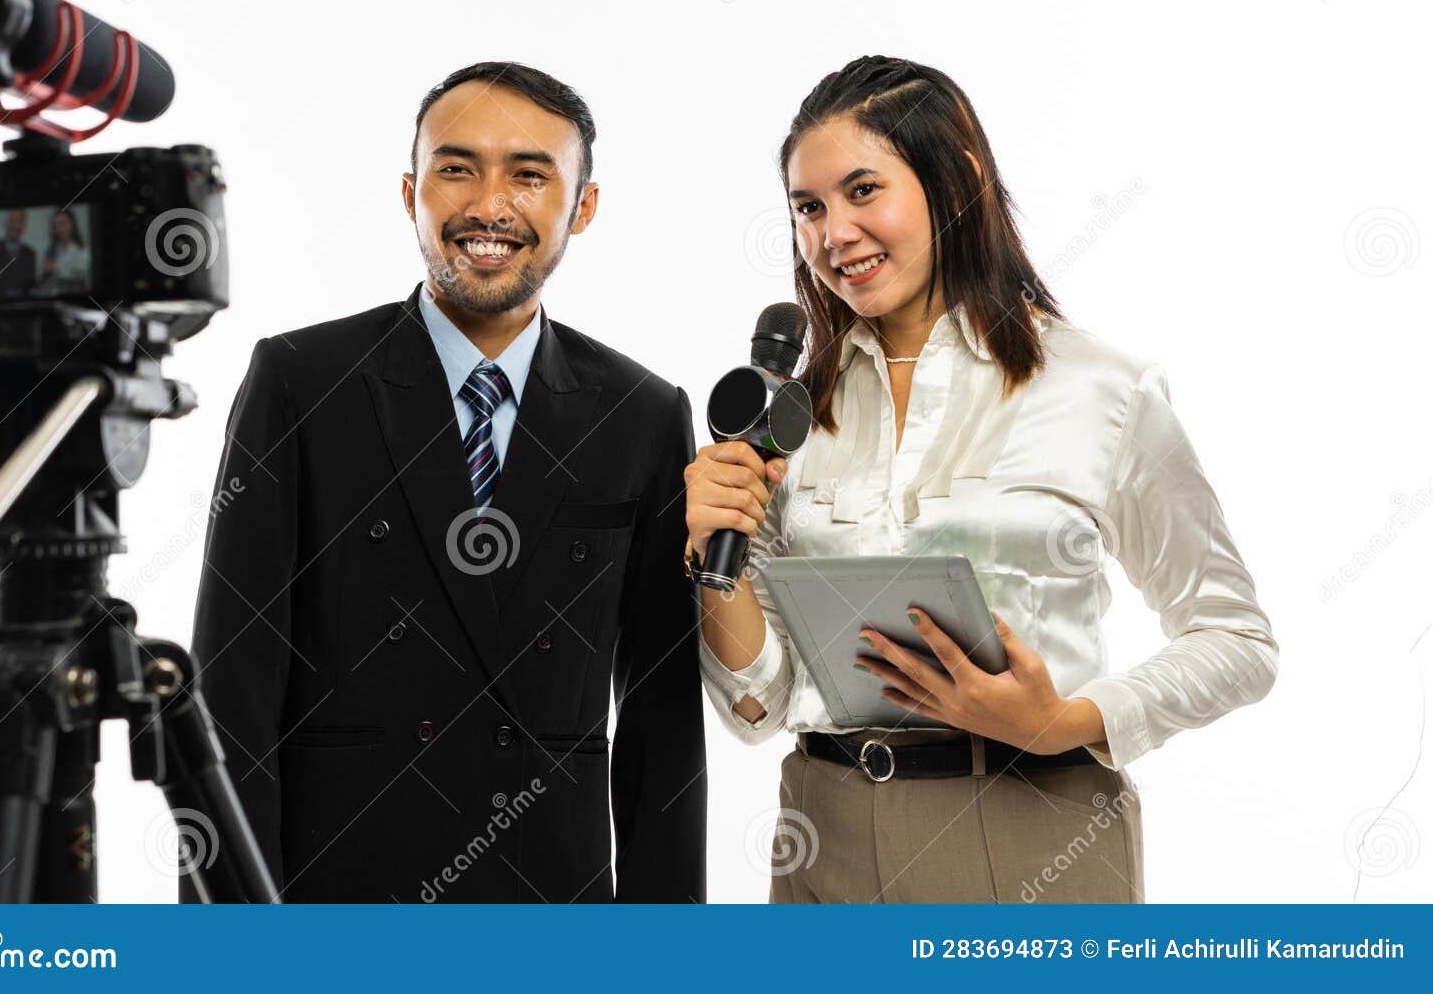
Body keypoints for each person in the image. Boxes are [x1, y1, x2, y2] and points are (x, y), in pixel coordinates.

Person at [686, 55, 1278, 903]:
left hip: (1033, 825)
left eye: (863, 191)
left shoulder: (1099, 390)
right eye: (808, 208)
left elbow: (1237, 639)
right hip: (824, 834)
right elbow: (760, 706)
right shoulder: (794, 418)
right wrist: (715, 556)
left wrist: (1068, 721)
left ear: (956, 181)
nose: (833, 234)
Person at [183, 62, 705, 903]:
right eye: (456, 168)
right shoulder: (302, 381)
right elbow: (230, 691)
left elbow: (662, 726)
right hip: (341, 895)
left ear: (582, 206)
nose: (489, 206)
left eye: (529, 175)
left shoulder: (642, 413)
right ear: (410, 193)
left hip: (552, 902)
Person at [37, 208, 89, 293]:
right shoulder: (51, 250)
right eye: (57, 225)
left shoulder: (82, 250)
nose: (60, 229)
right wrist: (46, 272)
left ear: (72, 224)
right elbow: (42, 282)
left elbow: (81, 277)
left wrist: (55, 268)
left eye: (63, 223)